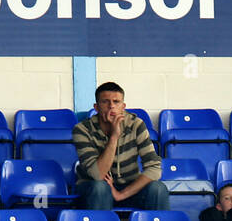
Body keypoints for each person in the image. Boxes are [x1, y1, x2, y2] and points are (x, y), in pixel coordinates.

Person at [71, 81, 168, 210]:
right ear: (96, 107)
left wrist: (121, 194)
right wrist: (114, 137)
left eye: (116, 102)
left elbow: (155, 168)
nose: (111, 106)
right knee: (100, 187)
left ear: (123, 107)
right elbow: (98, 175)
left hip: (129, 187)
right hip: (93, 188)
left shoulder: (136, 125)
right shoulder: (82, 129)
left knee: (158, 188)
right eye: (105, 102)